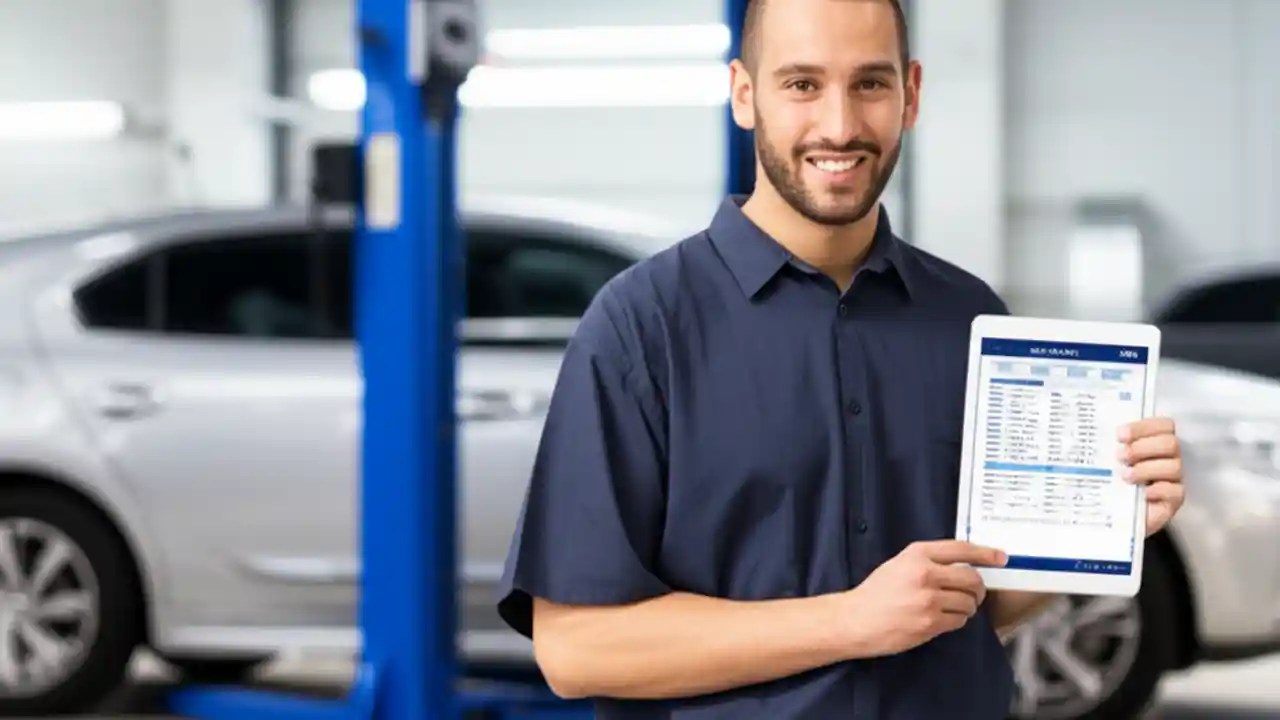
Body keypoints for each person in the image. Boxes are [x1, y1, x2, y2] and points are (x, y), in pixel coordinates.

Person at [494, 0, 1186, 717]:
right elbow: (577, 648)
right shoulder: (643, 327)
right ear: (743, 93)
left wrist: (1103, 515)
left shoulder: (969, 318)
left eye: (870, 84)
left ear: (910, 94)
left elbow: (973, 608)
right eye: (802, 84)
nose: (840, 126)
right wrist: (849, 621)